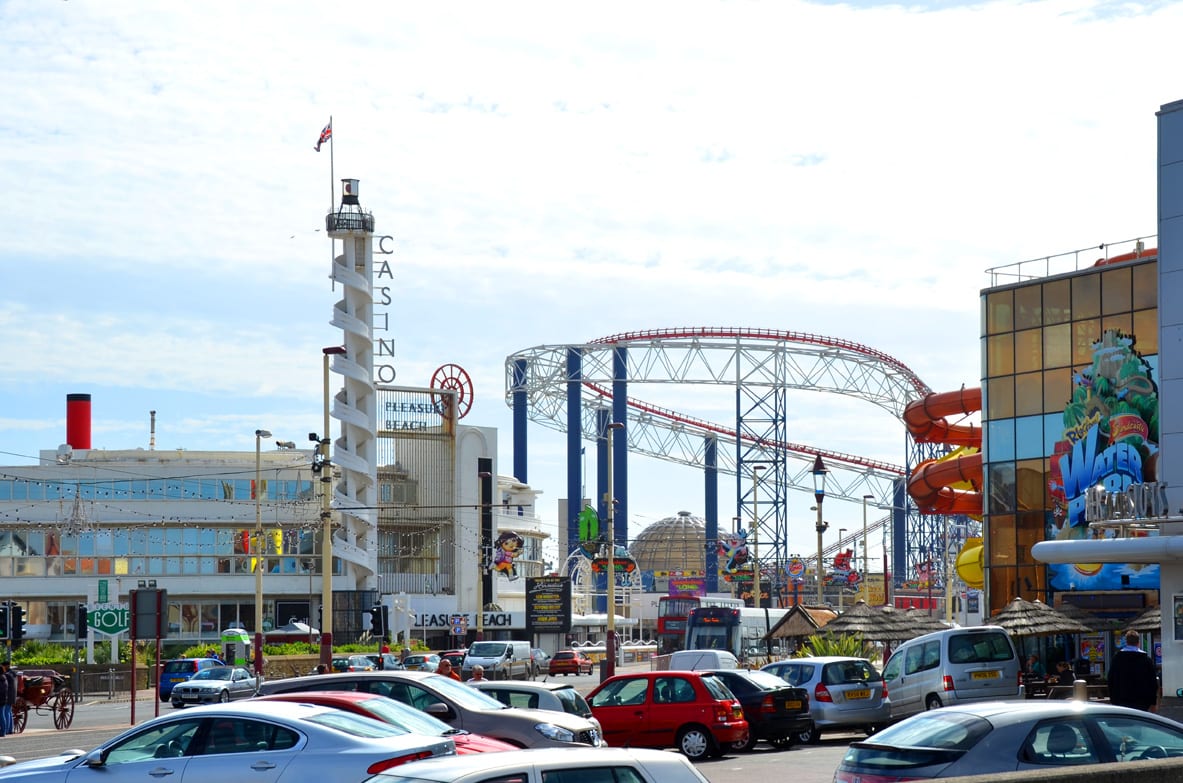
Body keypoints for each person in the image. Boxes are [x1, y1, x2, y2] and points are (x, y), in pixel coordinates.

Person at [1107, 629, 1158, 711]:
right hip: (1142, 702)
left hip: (1121, 701)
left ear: (1126, 642)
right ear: (1138, 642)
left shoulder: (1117, 659)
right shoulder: (1146, 659)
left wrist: (1113, 699)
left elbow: (1111, 680)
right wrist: (1153, 702)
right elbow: (1152, 682)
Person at [0, 663, 13, 736]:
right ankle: (5, 730)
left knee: (2, 715)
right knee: (3, 714)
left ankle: (3, 731)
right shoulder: (4, 678)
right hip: (4, 699)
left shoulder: (2, 679)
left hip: (1, 699)